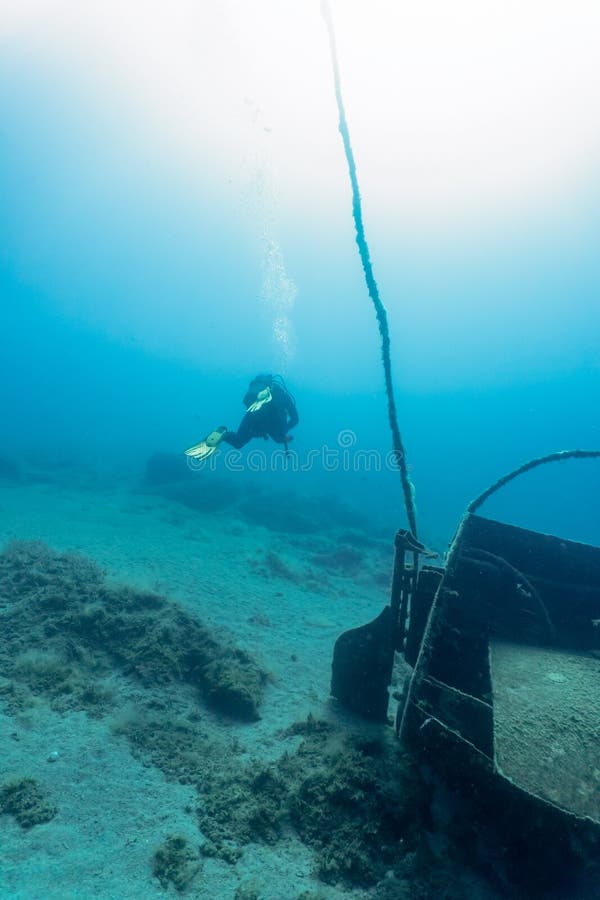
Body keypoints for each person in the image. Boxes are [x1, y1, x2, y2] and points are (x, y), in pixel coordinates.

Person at [185, 374, 298, 461]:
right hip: (272, 421)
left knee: (239, 441)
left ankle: (223, 434)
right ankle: (225, 435)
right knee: (279, 438)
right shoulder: (283, 395)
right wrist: (284, 431)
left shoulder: (261, 394)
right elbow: (295, 419)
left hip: (253, 414)